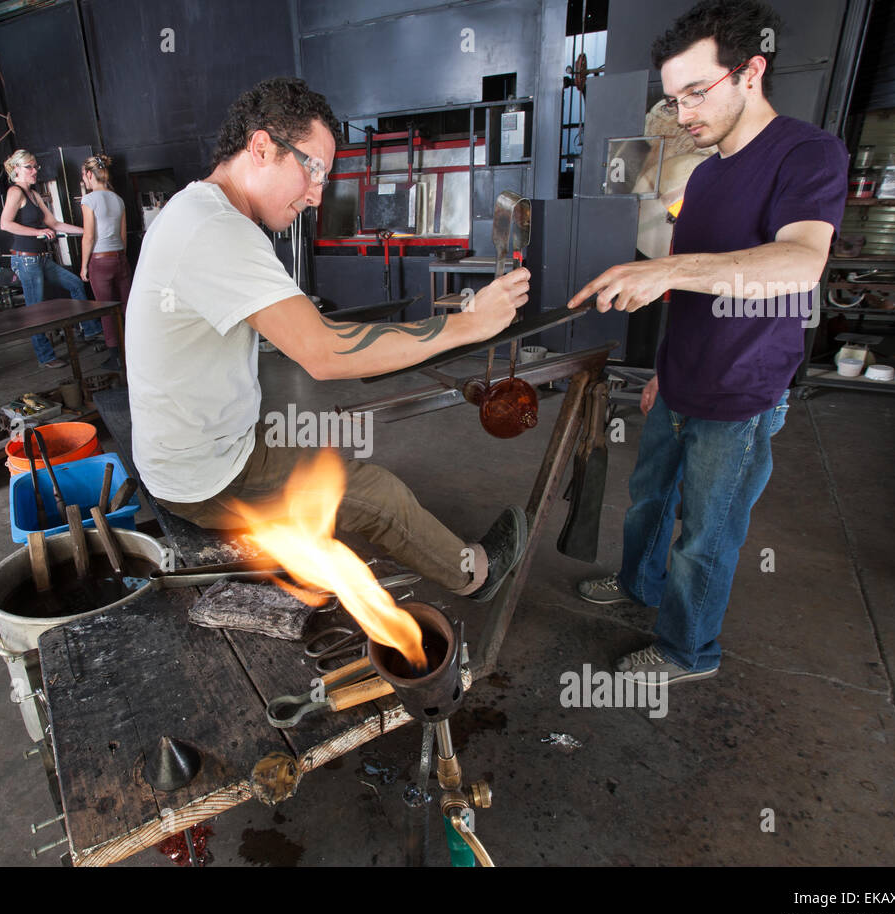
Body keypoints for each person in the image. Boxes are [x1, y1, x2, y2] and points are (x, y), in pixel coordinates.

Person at [126, 77, 532, 600]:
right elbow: (323, 352)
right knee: (379, 494)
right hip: (205, 476)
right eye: (312, 170)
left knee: (326, 444)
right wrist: (468, 324)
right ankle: (473, 574)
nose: (316, 195)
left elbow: (311, 331)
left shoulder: (195, 209)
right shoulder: (217, 229)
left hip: (199, 445)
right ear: (261, 147)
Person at [568, 0, 848, 686]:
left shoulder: (807, 153)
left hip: (743, 390)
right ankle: (639, 587)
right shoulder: (708, 171)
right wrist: (664, 368)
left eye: (697, 91)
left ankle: (688, 651)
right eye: (673, 97)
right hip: (682, 378)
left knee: (704, 539)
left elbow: (799, 262)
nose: (683, 111)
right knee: (647, 503)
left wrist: (661, 268)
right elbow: (696, 294)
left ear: (750, 71)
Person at [0, 149, 102, 369]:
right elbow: (5, 224)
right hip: (26, 260)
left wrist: (87, 231)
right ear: (16, 169)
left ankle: (91, 331)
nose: (35, 171)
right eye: (29, 167)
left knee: (75, 284)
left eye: (36, 166)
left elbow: (54, 224)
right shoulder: (15, 192)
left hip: (41, 259)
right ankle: (45, 356)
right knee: (35, 310)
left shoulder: (33, 195)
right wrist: (37, 232)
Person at [78, 154, 129, 369]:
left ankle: (116, 357)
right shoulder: (118, 199)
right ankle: (134, 351)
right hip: (120, 257)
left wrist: (83, 266)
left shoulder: (88, 200)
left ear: (89, 174)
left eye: (83, 176)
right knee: (127, 307)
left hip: (100, 260)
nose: (84, 180)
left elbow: (89, 236)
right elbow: (123, 236)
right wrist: (121, 257)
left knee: (106, 310)